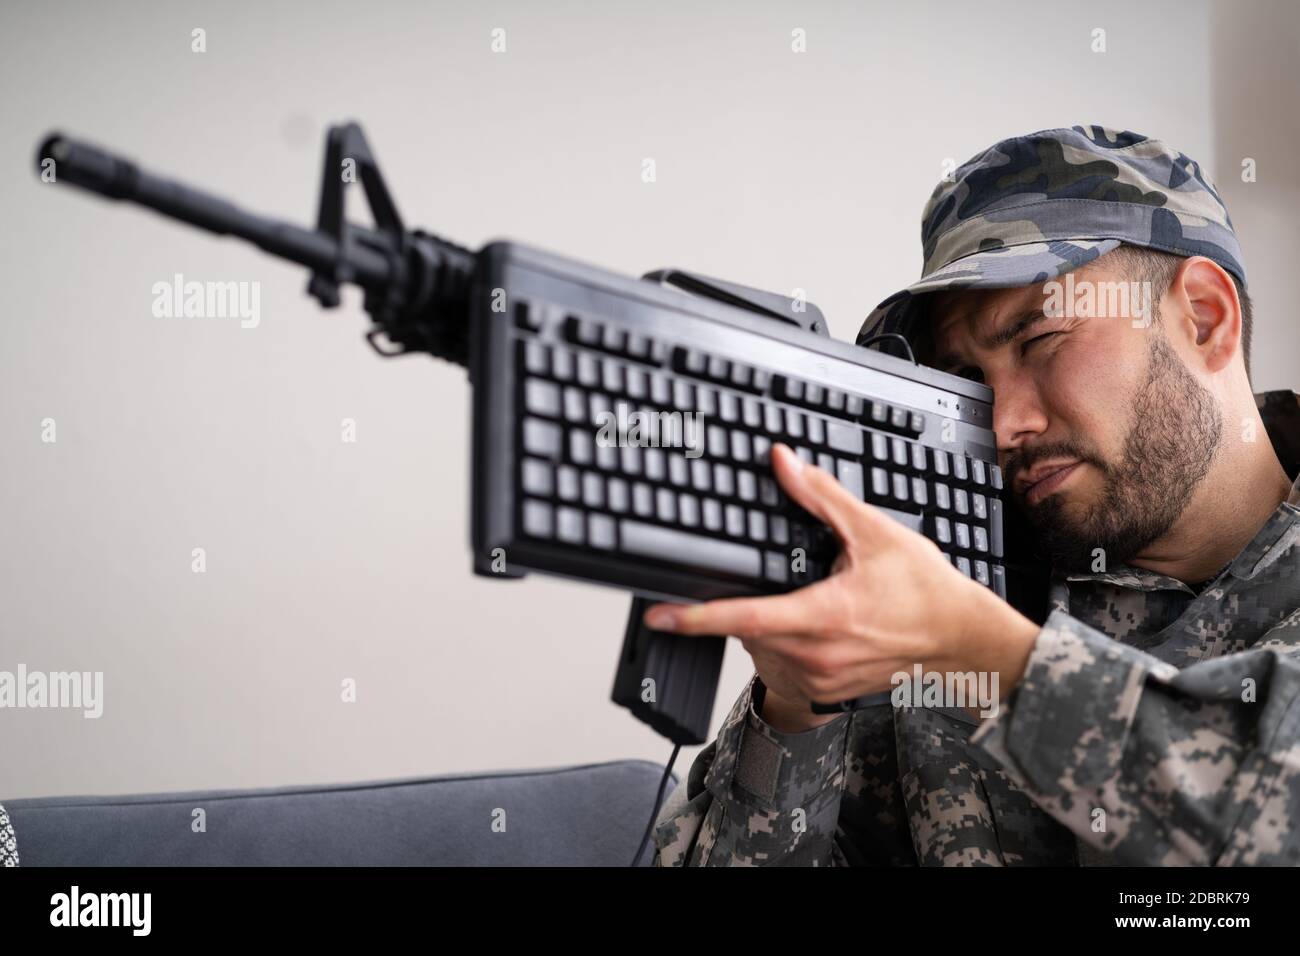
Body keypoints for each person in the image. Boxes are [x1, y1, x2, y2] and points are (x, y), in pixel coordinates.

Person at [648, 125, 1300, 866]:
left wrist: (980, 654)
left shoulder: (949, 626)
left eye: (1040, 339)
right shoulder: (943, 588)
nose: (1006, 422)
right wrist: (794, 710)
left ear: (1204, 318)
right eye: (967, 381)